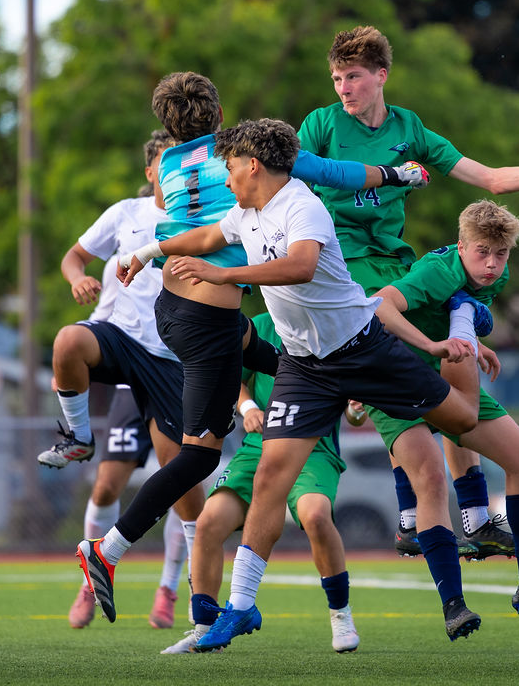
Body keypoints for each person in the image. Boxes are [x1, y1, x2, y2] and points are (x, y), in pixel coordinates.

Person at [76, 72, 428, 624]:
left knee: (289, 361)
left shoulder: (169, 166)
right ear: (219, 117)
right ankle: (109, 548)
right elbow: (327, 172)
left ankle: (200, 605)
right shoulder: (240, 161)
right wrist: (395, 173)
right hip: (206, 321)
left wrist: (146, 250)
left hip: (175, 310)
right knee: (199, 455)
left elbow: (185, 213)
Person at [152, 117, 481, 652]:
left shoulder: (302, 205)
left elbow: (301, 267)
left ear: (252, 164)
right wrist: (148, 253)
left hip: (362, 349)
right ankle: (238, 608)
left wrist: (223, 275)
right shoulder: (246, 212)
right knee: (269, 480)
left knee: (464, 422)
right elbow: (210, 236)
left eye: (229, 167)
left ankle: (464, 318)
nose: (226, 177)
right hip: (304, 366)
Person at [297, 26, 519, 558]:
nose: (344, 87)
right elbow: (300, 167)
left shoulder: (411, 128)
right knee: (411, 354)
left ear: (381, 75)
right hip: (339, 265)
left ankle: (469, 515)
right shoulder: (320, 123)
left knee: (455, 365)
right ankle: (412, 484)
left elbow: (492, 178)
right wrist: (386, 175)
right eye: (337, 77)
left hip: (392, 259)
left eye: (354, 77)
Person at [369, 200, 519, 640]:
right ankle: (454, 604)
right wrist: (432, 346)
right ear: (461, 246)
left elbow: (461, 315)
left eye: (501, 253)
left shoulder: (496, 274)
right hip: (393, 378)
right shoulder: (438, 271)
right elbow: (380, 306)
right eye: (482, 252)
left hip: (444, 377)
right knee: (430, 478)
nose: (492, 264)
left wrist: (470, 338)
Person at [41, 131, 201, 630]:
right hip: (122, 351)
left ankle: (182, 591)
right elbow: (74, 257)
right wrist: (76, 279)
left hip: (171, 363)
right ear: (151, 170)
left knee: (183, 485)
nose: (175, 171)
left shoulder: (201, 214)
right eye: (165, 163)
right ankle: (78, 440)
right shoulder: (124, 214)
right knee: (68, 343)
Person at [162, 312, 360, 655]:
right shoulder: (261, 324)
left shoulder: (335, 321)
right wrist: (249, 405)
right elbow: (233, 378)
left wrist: (357, 411)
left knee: (315, 515)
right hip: (259, 447)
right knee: (209, 522)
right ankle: (204, 627)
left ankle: (340, 614)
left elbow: (356, 410)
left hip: (315, 448)